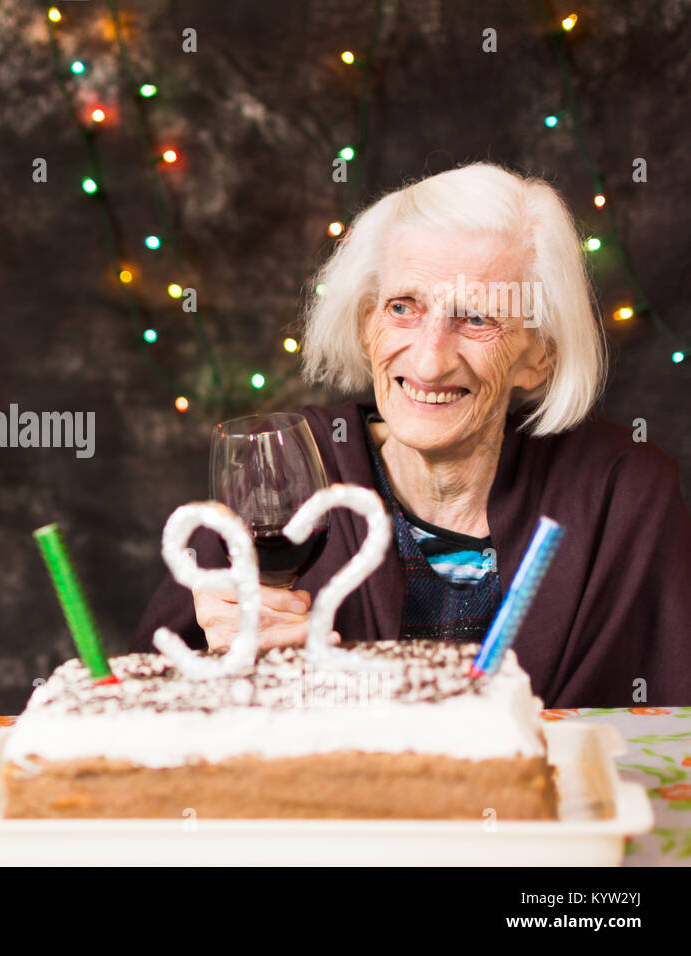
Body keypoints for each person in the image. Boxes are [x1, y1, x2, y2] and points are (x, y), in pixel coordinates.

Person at [132, 162, 691, 708]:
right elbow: (141, 728)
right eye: (403, 308)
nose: (428, 362)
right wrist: (220, 667)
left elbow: (667, 744)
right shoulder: (284, 472)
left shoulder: (623, 492)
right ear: (366, 323)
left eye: (476, 319)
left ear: (538, 355)